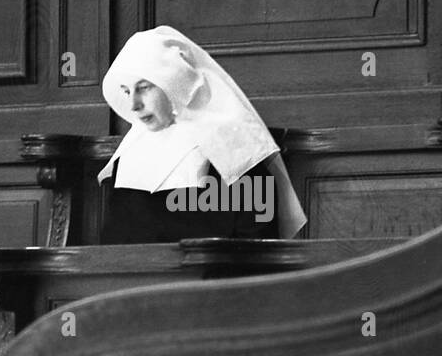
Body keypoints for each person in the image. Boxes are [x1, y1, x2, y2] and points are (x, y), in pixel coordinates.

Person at [98, 26, 307, 244]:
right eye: (126, 91)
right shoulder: (129, 156)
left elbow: (259, 247)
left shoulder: (236, 150)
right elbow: (112, 249)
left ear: (175, 82)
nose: (133, 105)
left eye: (144, 87)